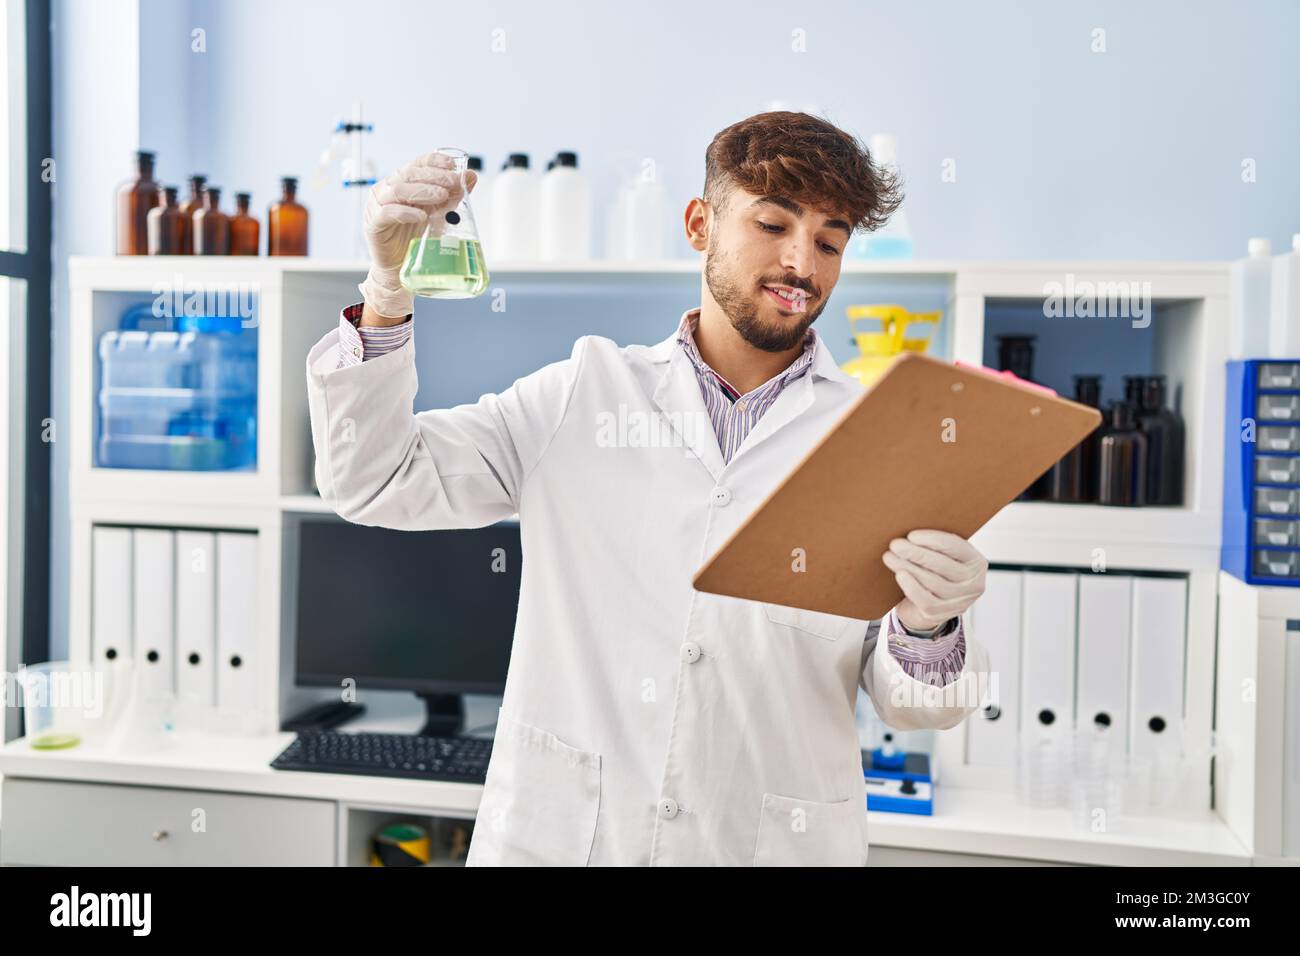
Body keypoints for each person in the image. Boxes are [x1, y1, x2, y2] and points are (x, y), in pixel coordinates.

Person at [305, 111, 991, 866]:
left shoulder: (875, 441)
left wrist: (930, 625)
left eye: (830, 241)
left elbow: (920, 707)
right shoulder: (584, 393)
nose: (802, 262)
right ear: (700, 224)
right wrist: (386, 290)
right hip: (566, 840)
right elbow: (373, 479)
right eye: (772, 223)